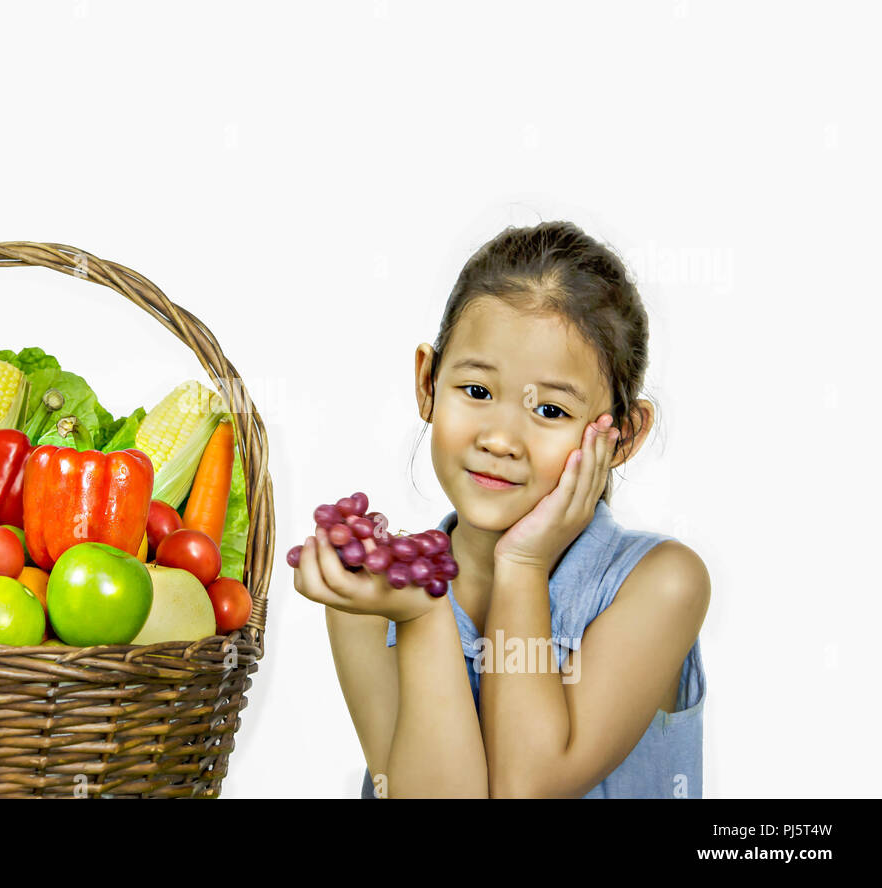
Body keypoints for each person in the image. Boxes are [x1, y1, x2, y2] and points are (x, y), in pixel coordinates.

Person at [293, 220, 710, 798]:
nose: (501, 438)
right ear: (427, 382)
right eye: (478, 392)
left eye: (551, 411)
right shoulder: (374, 589)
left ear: (624, 435)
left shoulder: (662, 583)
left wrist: (522, 566)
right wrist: (423, 615)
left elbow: (526, 788)